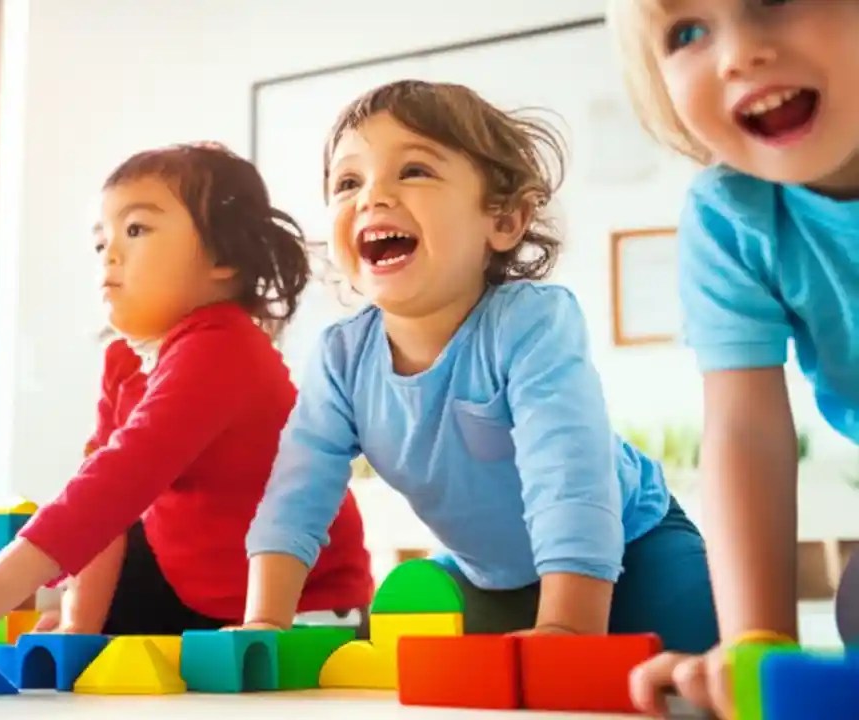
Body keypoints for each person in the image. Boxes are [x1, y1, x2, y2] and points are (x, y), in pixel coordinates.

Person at [240, 80, 719, 655]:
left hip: (631, 546)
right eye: (348, 182)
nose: (372, 196)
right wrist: (264, 623)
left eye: (414, 170)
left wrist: (567, 628)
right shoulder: (341, 358)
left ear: (505, 221)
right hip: (490, 575)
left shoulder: (531, 324)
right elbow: (298, 491)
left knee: (695, 663)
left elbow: (569, 473)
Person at [0, 142, 374, 639]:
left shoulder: (223, 347)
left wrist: (0, 579)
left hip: (305, 606)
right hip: (198, 596)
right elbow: (105, 510)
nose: (111, 254)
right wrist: (79, 627)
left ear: (223, 258)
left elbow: (121, 477)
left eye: (136, 229)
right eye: (101, 242)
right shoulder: (124, 362)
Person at [606, 1, 859, 716]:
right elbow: (745, 430)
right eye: (687, 33)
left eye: (773, 0)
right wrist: (754, 649)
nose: (738, 54)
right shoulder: (732, 215)